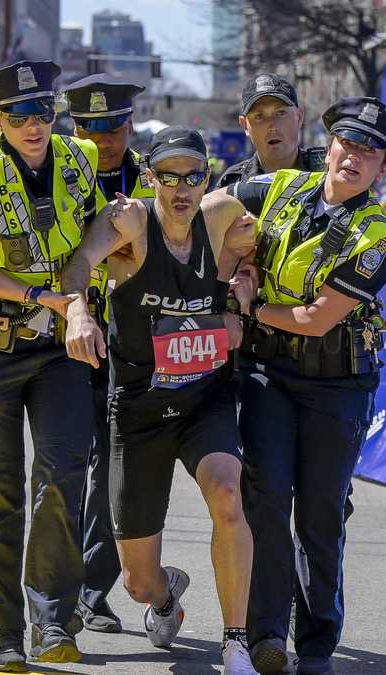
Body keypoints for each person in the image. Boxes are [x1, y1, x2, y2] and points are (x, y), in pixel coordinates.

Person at [61, 127, 257, 674]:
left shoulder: (221, 213)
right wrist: (77, 311)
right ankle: (168, 596)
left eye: (193, 175)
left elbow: (253, 253)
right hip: (141, 411)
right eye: (168, 175)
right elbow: (78, 265)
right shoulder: (129, 222)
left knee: (226, 492)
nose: (182, 188)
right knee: (137, 580)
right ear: (150, 179)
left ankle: (235, 640)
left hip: (204, 399)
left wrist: (239, 296)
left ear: (207, 180)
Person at [225, 96, 386, 675]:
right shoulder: (282, 188)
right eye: (348, 144)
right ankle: (265, 635)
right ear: (328, 146)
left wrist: (249, 308)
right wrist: (240, 269)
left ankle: (317, 643)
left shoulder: (379, 238)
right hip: (267, 375)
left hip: (337, 385)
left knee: (321, 515)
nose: (354, 158)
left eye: (370, 153)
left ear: (384, 170)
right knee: (267, 501)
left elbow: (315, 319)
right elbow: (214, 211)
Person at [0, 60, 102, 670]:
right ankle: (7, 631)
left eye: (44, 113)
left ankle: (53, 620)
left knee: (63, 476)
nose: (35, 125)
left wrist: (77, 295)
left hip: (58, 349)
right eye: (19, 116)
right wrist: (44, 297)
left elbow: (93, 234)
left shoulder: (79, 160)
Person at [62, 72, 156, 635]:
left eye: (114, 127)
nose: (104, 140)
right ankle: (54, 588)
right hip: (64, 337)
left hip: (128, 342)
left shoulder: (151, 177)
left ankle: (91, 592)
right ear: (75, 128)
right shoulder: (54, 175)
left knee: (109, 472)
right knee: (66, 466)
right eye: (91, 128)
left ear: (130, 125)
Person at [216, 73, 327, 189]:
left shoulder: (327, 175)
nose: (272, 126)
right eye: (259, 116)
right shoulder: (232, 183)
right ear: (244, 125)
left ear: (299, 117)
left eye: (280, 113)